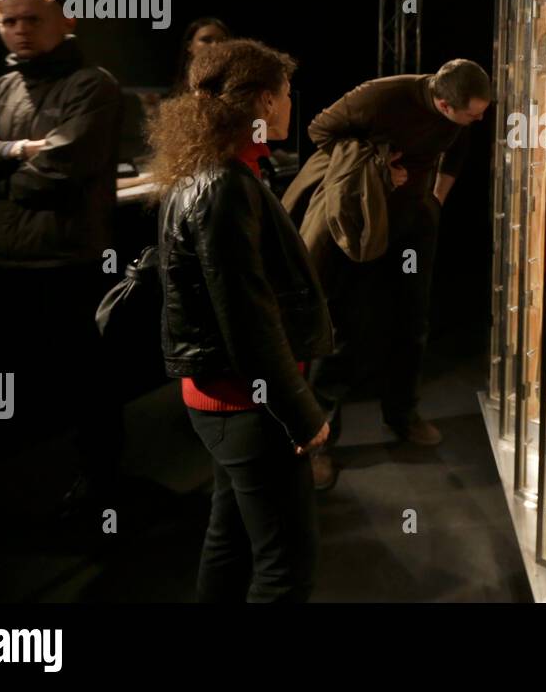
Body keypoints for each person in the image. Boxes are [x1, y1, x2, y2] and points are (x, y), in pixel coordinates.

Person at [150, 38, 331, 603]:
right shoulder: (223, 186)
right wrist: (302, 415)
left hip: (226, 402)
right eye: (284, 94)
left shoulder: (219, 172)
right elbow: (247, 321)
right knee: (284, 568)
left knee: (227, 539)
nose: (289, 104)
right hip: (248, 405)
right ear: (260, 101)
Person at [0, 0, 124, 513]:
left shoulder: (94, 87)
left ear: (66, 22)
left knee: (88, 385)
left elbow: (57, 174)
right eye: (8, 21)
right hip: (1, 261)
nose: (20, 30)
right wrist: (17, 150)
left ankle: (102, 486)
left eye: (32, 19)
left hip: (70, 263)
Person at [306, 58, 491, 447]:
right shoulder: (380, 97)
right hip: (364, 221)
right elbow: (319, 131)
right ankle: (321, 435)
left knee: (411, 323)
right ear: (444, 105)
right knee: (343, 327)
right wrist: (375, 168)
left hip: (413, 223)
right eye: (472, 114)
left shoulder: (460, 117)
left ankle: (402, 415)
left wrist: (436, 199)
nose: (478, 119)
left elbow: (459, 143)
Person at [172, 16, 232, 94]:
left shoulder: (235, 88)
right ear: (189, 46)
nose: (215, 45)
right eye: (206, 40)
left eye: (222, 41)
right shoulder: (178, 92)